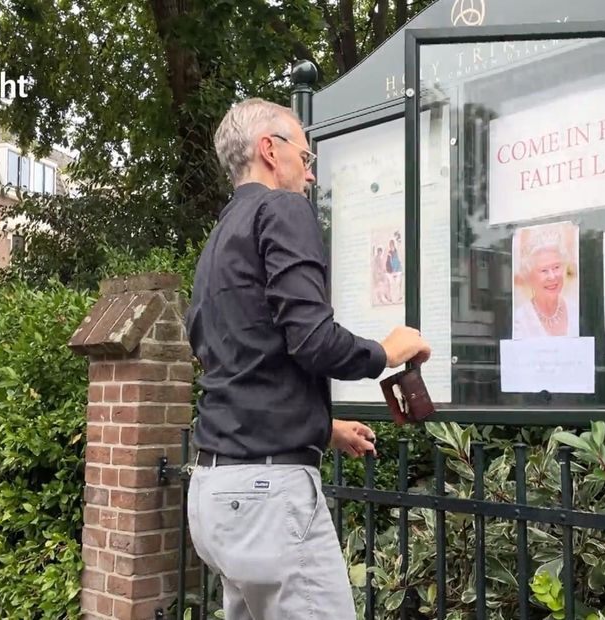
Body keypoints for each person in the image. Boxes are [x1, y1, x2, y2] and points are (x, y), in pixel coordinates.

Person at [184, 97, 432, 619]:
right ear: (269, 150)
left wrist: (322, 427)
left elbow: (241, 361)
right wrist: (386, 351)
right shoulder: (281, 208)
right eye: (305, 155)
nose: (311, 173)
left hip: (213, 493)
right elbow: (312, 339)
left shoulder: (219, 237)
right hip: (267, 499)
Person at [511, 224, 580, 339]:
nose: (552, 277)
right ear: (529, 277)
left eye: (556, 267)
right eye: (544, 270)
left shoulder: (576, 311)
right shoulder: (520, 319)